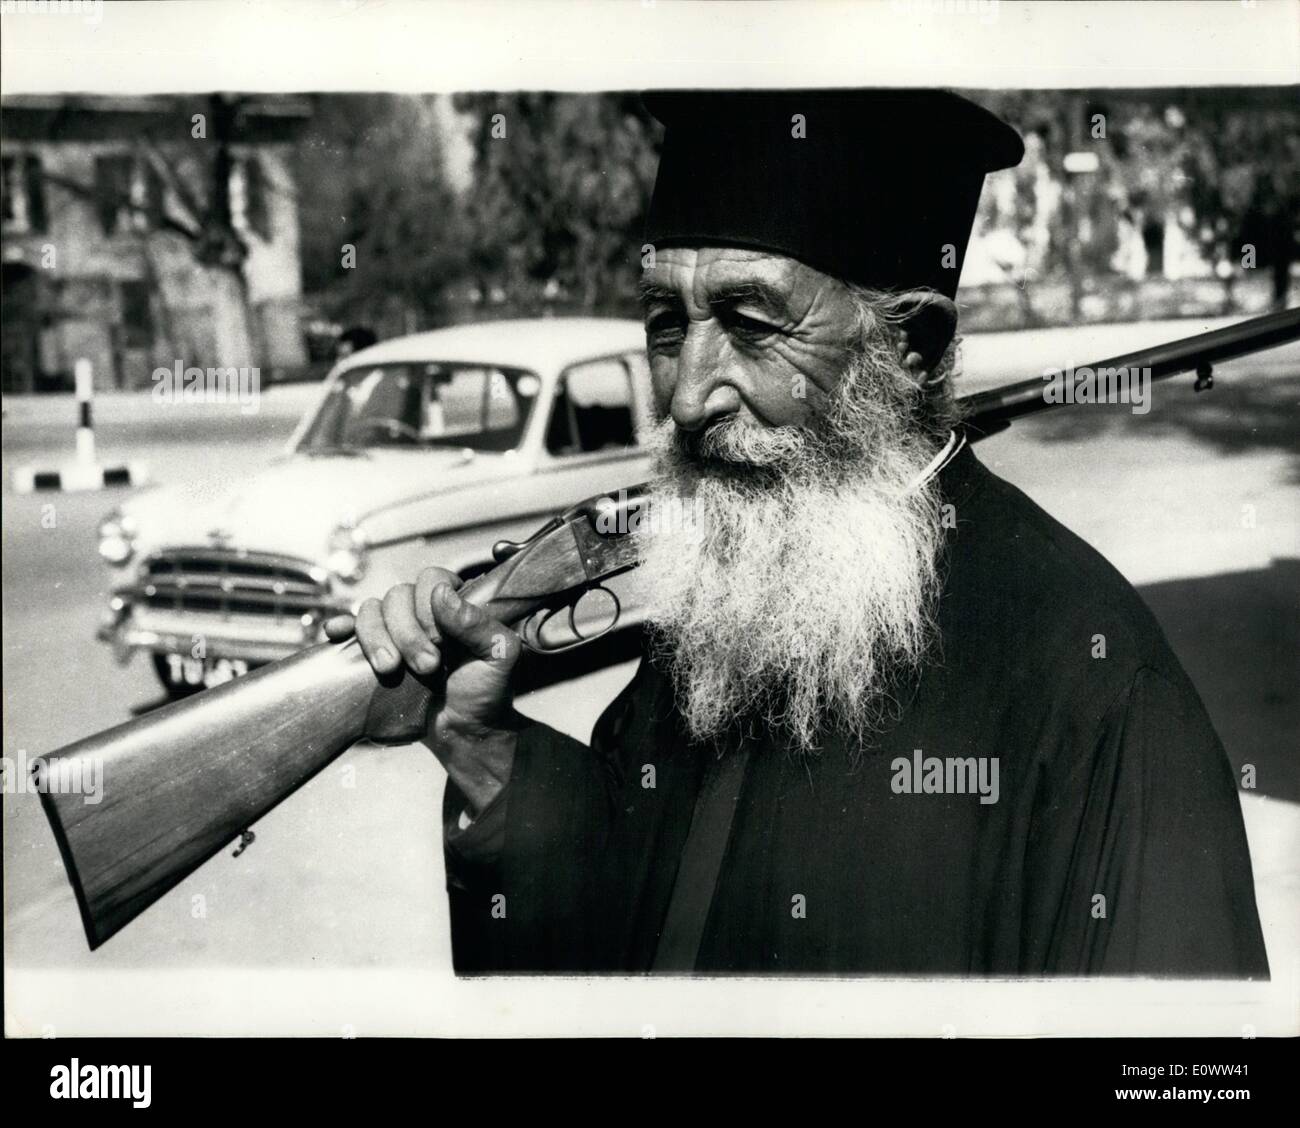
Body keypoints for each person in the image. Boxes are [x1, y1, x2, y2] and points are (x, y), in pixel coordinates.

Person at [325, 90, 1268, 976]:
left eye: (750, 322)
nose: (687, 398)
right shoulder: (739, 599)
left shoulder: (1100, 694)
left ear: (914, 345)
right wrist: (487, 756)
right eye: (666, 322)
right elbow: (641, 917)